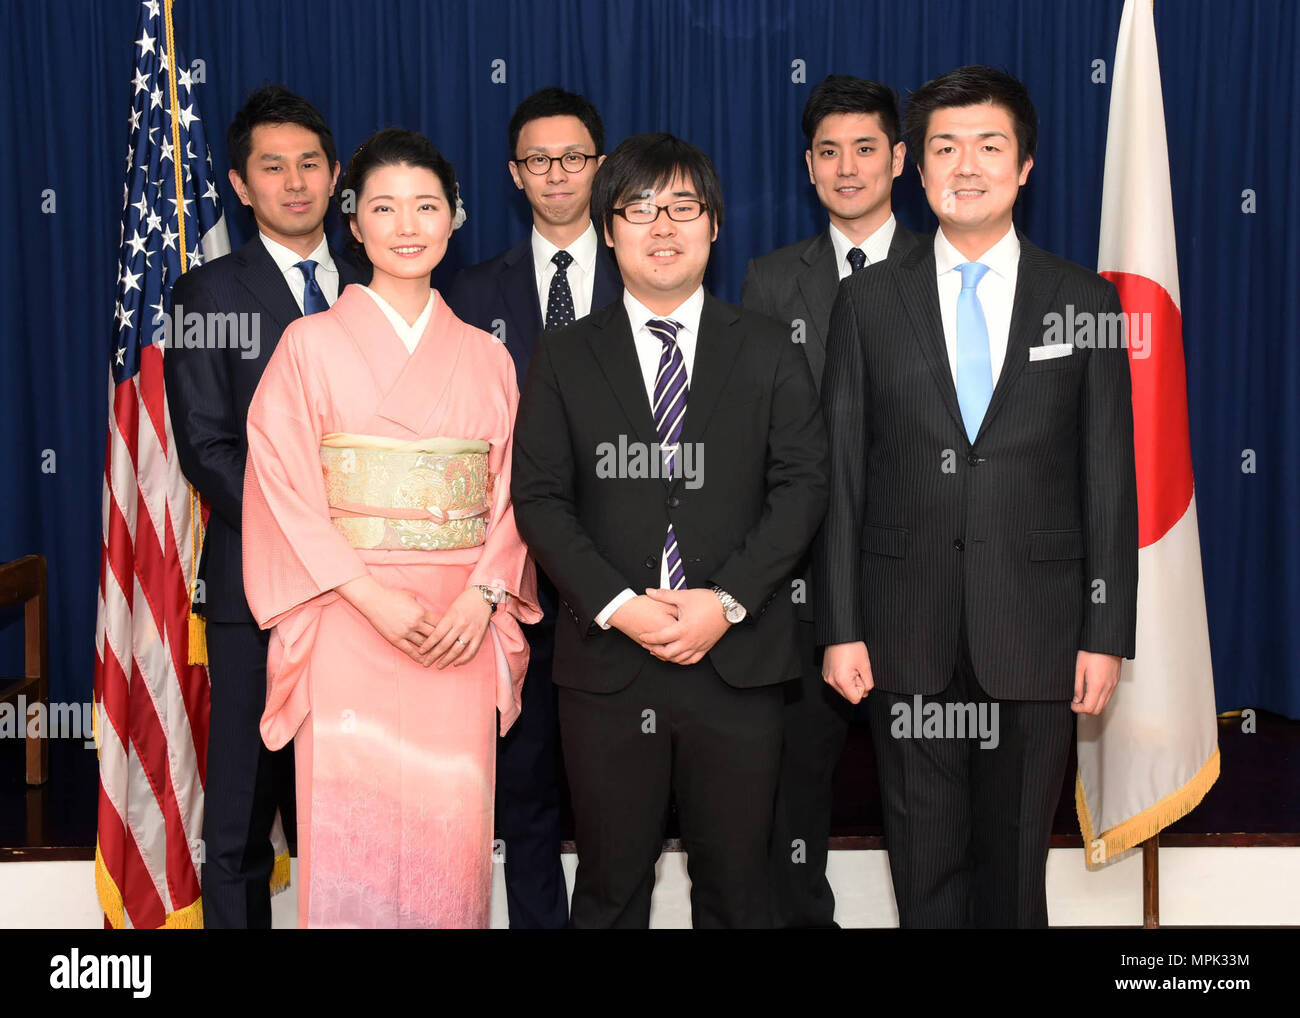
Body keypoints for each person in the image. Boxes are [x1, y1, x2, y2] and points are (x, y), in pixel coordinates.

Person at [815, 66, 1138, 928]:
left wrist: (1106, 634)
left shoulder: (1084, 303)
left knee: (1013, 879)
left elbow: (1109, 478)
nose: (966, 165)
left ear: (1025, 165)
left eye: (989, 146)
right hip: (900, 631)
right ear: (915, 172)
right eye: (943, 148)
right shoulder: (868, 301)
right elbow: (842, 474)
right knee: (925, 877)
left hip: (1036, 634)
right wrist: (841, 623)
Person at [511, 133, 829, 928]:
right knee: (611, 890)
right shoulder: (563, 354)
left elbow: (802, 486)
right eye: (639, 208)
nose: (662, 227)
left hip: (738, 660)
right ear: (607, 227)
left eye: (683, 207)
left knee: (739, 889)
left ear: (713, 225)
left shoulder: (765, 346)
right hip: (611, 663)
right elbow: (541, 499)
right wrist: (622, 604)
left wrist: (725, 602)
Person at [241, 128, 540, 928]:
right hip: (346, 615)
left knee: (454, 834)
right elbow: (282, 490)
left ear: (454, 220)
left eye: (426, 206)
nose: (407, 225)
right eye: (384, 207)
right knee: (352, 834)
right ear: (355, 223)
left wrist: (483, 598)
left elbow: (519, 494)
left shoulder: (487, 358)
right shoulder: (307, 347)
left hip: (459, 623)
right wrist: (369, 595)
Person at [163, 85, 365, 928]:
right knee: (243, 817)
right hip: (258, 592)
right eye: (271, 168)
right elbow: (209, 453)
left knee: (353, 811)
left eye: (310, 164)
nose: (294, 183)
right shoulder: (204, 296)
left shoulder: (381, 279)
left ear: (336, 174)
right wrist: (320, 548)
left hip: (372, 599)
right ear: (240, 187)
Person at [740, 73, 921, 929]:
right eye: (828, 152)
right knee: (793, 796)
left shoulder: (947, 269)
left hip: (927, 580)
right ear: (809, 168)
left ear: (900, 158)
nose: (847, 167)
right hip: (802, 587)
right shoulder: (770, 282)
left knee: (929, 788)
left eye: (865, 148)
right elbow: (752, 440)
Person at [445, 87, 621, 929]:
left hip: (624, 579)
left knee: (624, 801)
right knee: (524, 798)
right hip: (507, 586)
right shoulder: (466, 291)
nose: (558, 174)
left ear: (600, 163)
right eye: (539, 160)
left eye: (575, 157)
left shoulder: (650, 270)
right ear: (515, 175)